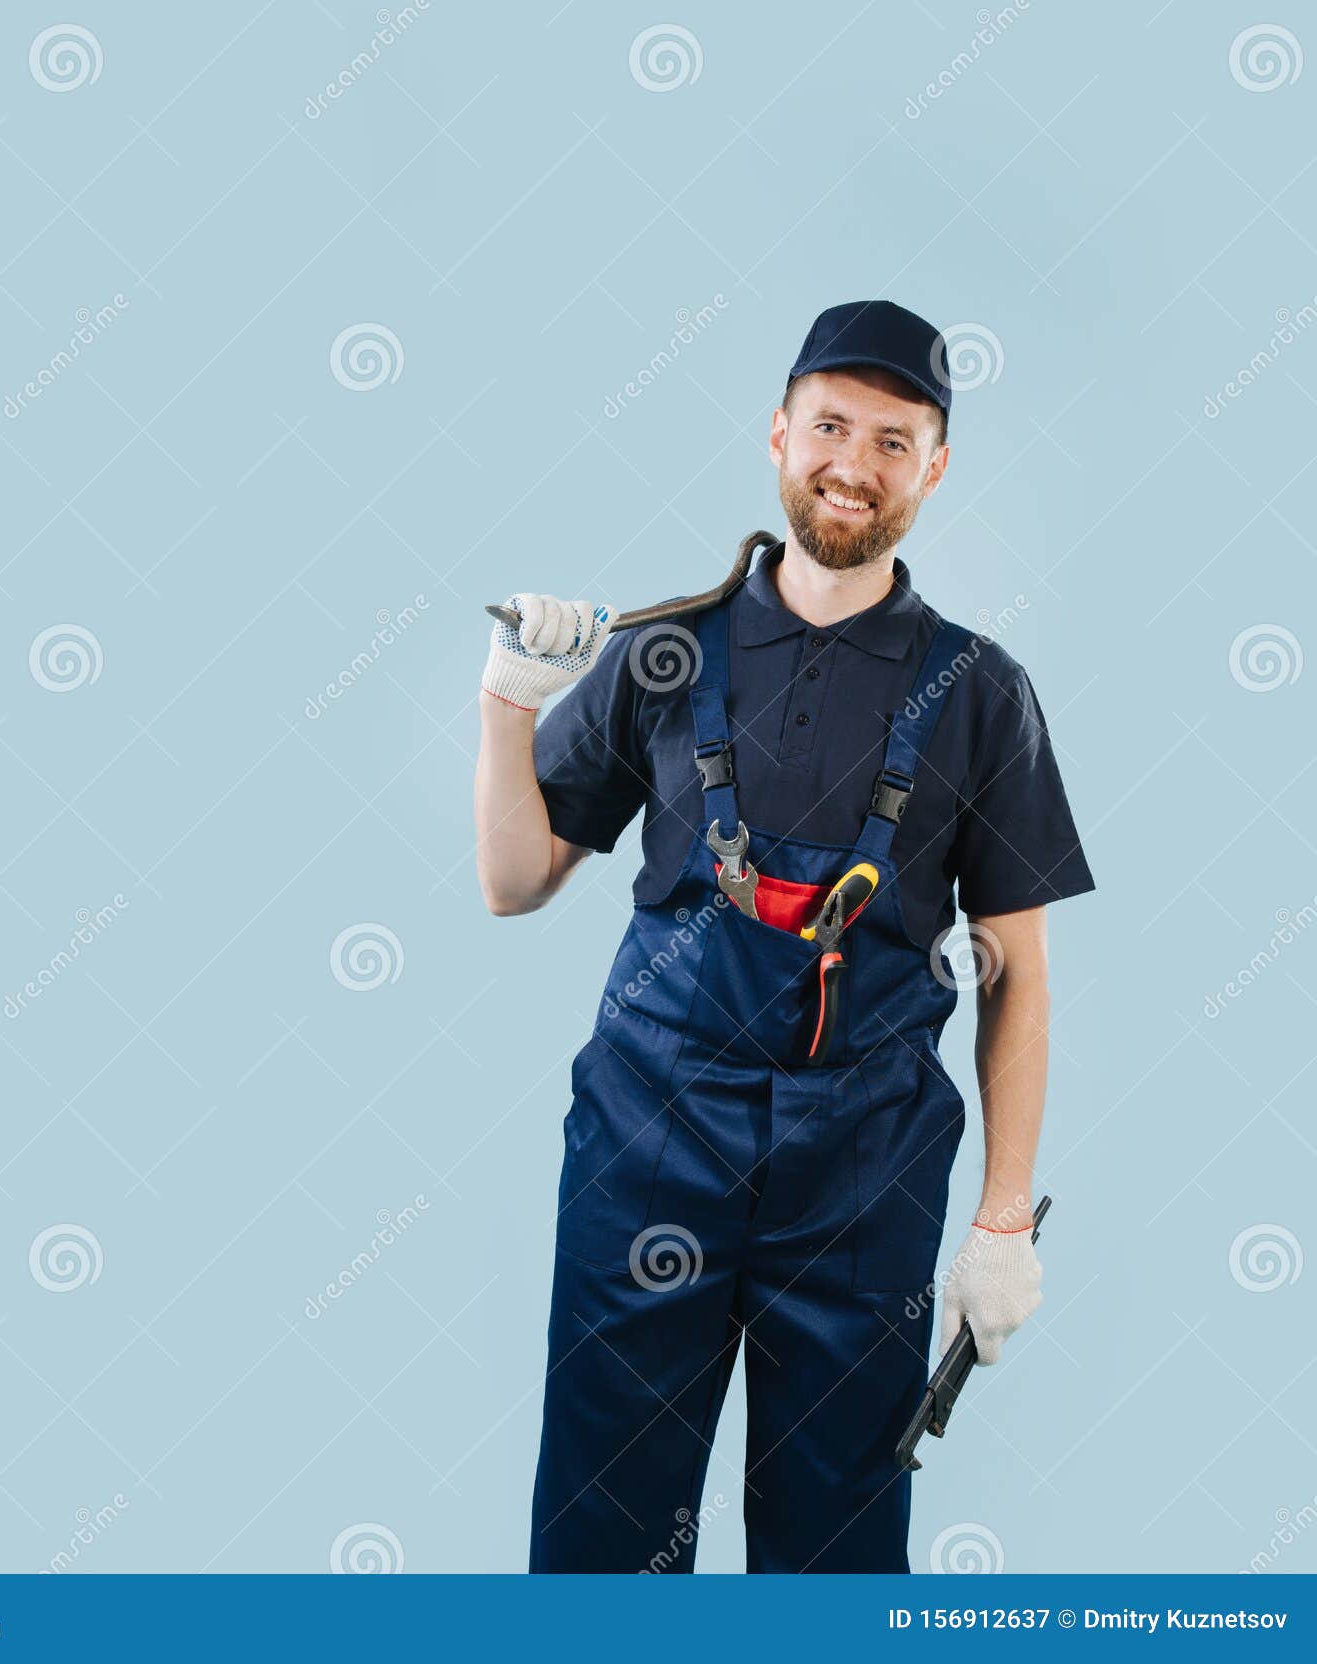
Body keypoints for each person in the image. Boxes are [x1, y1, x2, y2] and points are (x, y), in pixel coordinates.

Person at [472, 300, 1096, 1573]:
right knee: (604, 1525)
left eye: (891, 439)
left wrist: (1001, 1220)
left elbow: (1017, 970)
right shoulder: (662, 653)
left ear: (933, 467)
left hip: (863, 1166)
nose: (852, 463)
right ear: (777, 433)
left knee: (836, 1549)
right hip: (651, 1138)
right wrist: (506, 704)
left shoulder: (980, 691)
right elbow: (514, 881)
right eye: (829, 426)